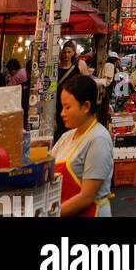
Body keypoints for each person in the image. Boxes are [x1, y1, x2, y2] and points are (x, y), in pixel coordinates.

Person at [51, 74, 115, 217]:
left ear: (86, 106)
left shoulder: (99, 139)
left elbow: (86, 197)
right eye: (62, 107)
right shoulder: (66, 137)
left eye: (67, 107)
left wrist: (51, 214)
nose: (62, 113)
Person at [55, 41, 81, 140]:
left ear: (73, 53)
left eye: (69, 52)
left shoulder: (75, 70)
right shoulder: (56, 69)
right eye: (65, 52)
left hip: (70, 104)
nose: (66, 55)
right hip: (57, 104)